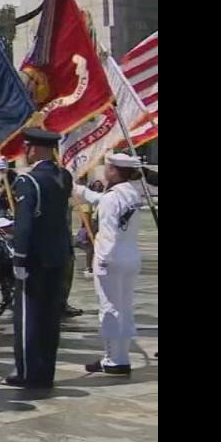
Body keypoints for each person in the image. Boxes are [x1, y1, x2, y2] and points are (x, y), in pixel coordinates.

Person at [7, 128, 72, 389]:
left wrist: (19, 258)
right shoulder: (63, 176)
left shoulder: (29, 181)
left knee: (28, 317)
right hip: (57, 255)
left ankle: (28, 371)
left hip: (34, 258)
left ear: (33, 149)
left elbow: (24, 225)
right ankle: (45, 371)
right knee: (49, 317)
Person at [73, 153, 145, 376]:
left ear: (115, 171)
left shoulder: (112, 197)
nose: (105, 171)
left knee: (109, 309)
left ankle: (114, 360)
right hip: (130, 256)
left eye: (108, 167)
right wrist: (79, 190)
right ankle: (118, 356)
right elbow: (101, 200)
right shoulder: (132, 192)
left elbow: (109, 233)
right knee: (124, 308)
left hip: (111, 258)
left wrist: (102, 260)